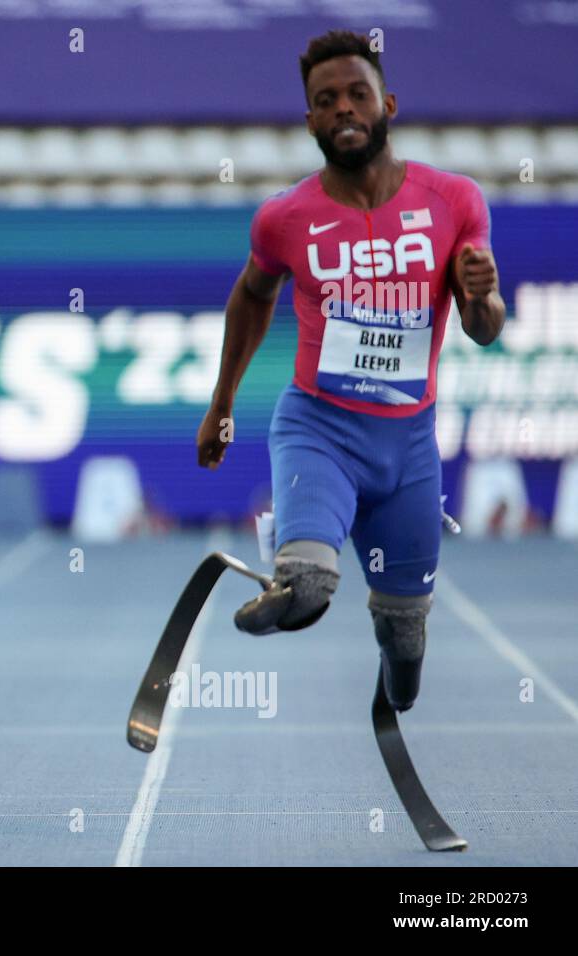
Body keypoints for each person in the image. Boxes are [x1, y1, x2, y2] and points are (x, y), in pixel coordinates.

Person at [196, 30, 504, 711]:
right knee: (307, 589)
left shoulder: (453, 202)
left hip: (410, 444)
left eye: (356, 95)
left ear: (386, 103)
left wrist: (481, 296)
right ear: (309, 120)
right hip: (319, 430)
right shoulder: (285, 218)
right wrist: (222, 403)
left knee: (404, 639)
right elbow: (251, 294)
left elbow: (484, 331)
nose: (343, 110)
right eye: (325, 101)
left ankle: (396, 669)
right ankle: (286, 591)